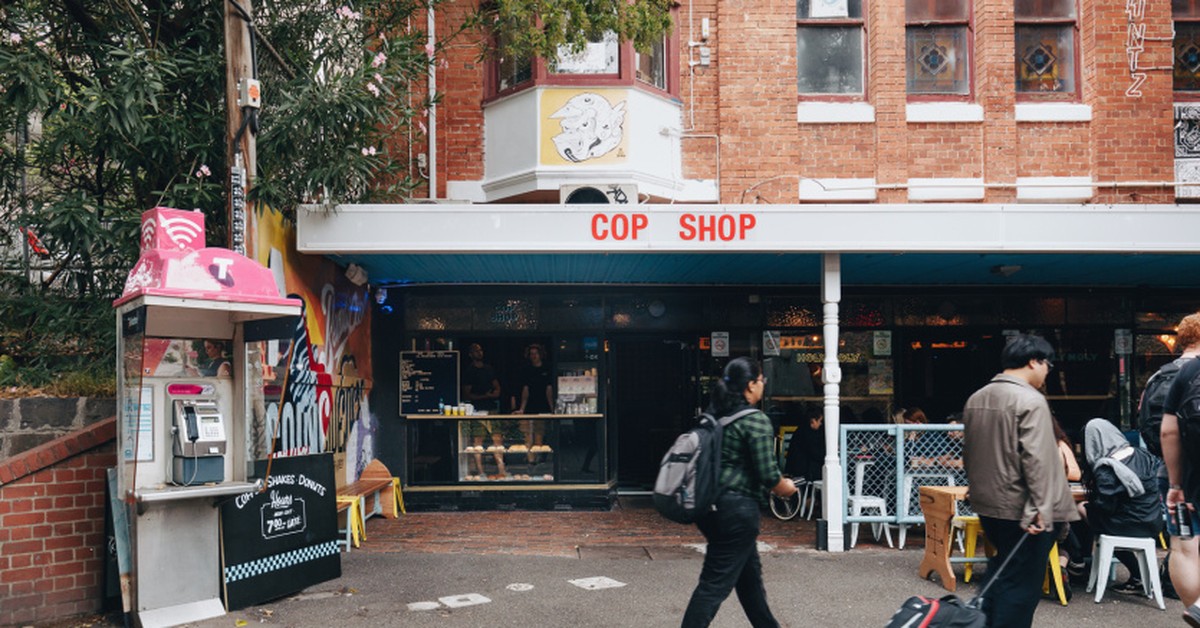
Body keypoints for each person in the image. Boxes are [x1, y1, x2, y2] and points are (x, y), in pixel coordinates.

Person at [961, 333, 1078, 628]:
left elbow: (970, 453)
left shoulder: (977, 398)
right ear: (1033, 361)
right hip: (1023, 507)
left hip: (988, 504)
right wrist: (1041, 506)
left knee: (1002, 575)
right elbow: (1037, 458)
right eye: (1047, 364)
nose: (1048, 371)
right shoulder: (1030, 400)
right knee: (1022, 588)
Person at [682, 357, 797, 628]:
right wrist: (787, 487)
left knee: (749, 583)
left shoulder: (715, 417)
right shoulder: (755, 421)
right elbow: (769, 475)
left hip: (711, 507)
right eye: (761, 381)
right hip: (737, 512)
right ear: (750, 386)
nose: (763, 385)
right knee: (712, 587)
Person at [1075, 418, 1163, 593]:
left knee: (1082, 510)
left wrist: (1089, 502)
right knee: (1098, 519)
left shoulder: (1107, 467)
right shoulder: (1142, 454)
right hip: (1153, 521)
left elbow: (1104, 507)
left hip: (1128, 524)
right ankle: (1139, 576)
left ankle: (1080, 561)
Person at [1160, 312, 1200, 626]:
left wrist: (1175, 481)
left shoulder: (1178, 375)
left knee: (1185, 547)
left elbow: (1167, 432)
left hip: (1190, 476)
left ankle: (1196, 606)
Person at [783, 405, 824, 482]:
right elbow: (815, 453)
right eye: (820, 421)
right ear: (813, 420)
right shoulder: (806, 434)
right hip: (803, 472)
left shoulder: (801, 430)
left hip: (797, 469)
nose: (821, 424)